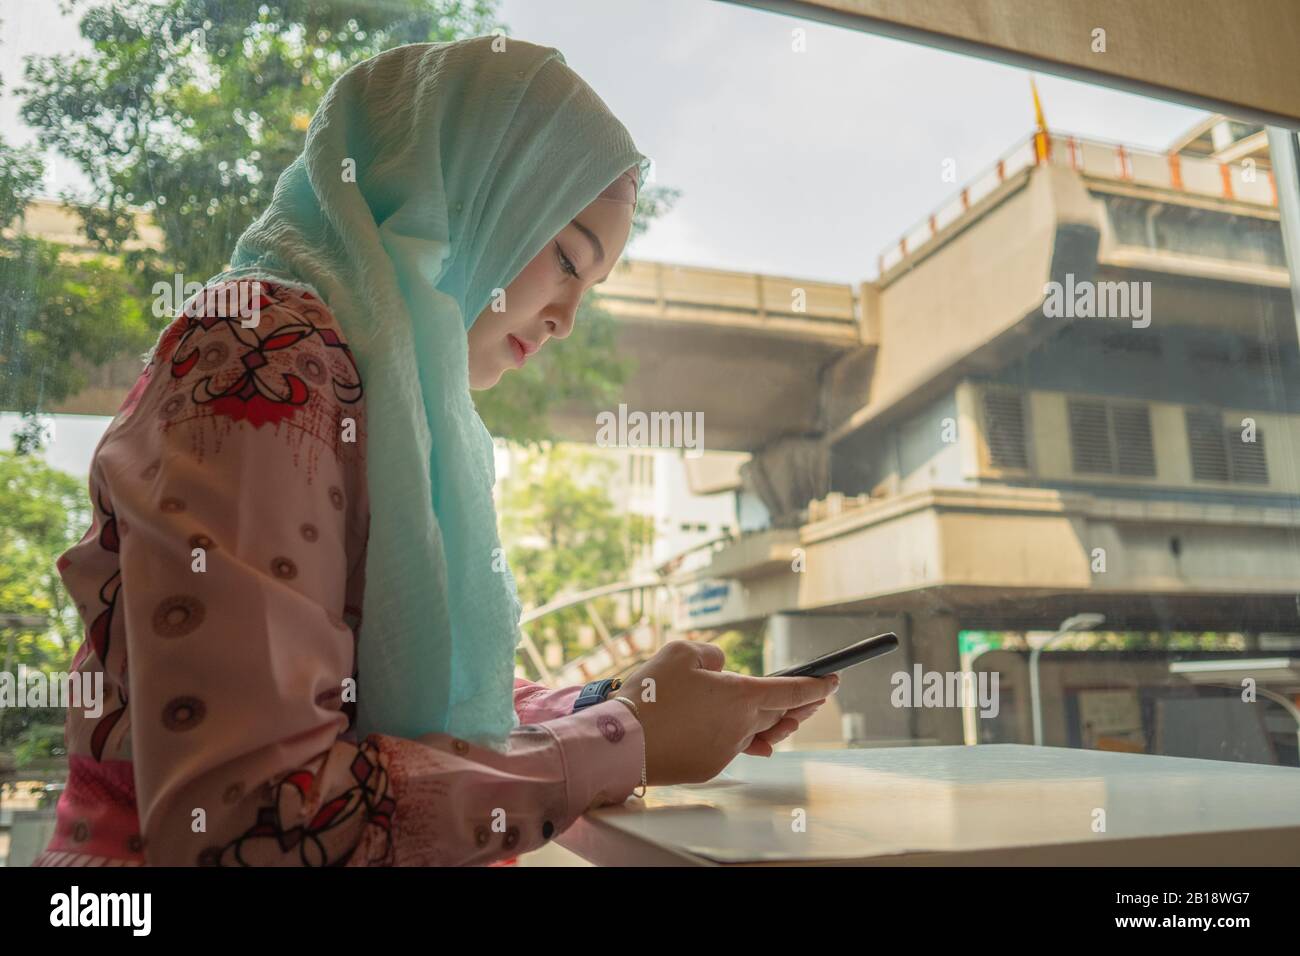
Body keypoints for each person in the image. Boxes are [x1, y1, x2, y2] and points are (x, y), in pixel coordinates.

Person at [35, 36, 836, 868]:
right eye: (566, 257)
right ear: (454, 196)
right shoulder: (262, 356)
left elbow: (368, 697)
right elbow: (256, 821)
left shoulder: (363, 384)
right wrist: (622, 739)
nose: (565, 318)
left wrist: (617, 704)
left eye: (587, 290)